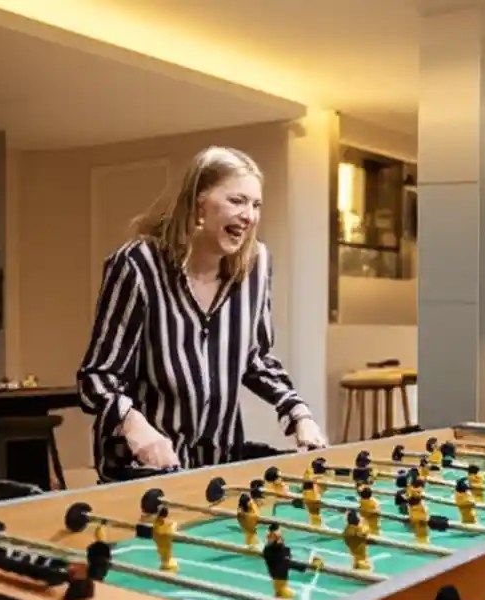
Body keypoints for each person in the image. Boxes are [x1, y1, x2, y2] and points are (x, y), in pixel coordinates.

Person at [78, 146, 327, 480]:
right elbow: (96, 376)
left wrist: (298, 414)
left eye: (256, 205)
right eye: (237, 201)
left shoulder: (256, 265)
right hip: (141, 469)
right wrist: (133, 423)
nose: (249, 216)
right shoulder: (138, 265)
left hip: (218, 464)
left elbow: (257, 359)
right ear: (198, 205)